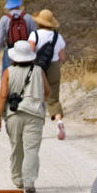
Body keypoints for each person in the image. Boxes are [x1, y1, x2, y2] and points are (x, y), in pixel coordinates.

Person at [0, 40, 49, 193]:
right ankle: (29, 181)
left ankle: (18, 180)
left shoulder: (8, 72)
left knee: (16, 147)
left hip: (14, 115)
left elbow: (3, 95)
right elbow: (47, 92)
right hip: (35, 115)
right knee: (31, 149)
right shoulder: (39, 71)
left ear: (14, 57)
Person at [32, 8, 66, 140]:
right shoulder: (58, 37)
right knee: (53, 98)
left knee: (36, 98)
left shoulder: (34, 35)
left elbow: (29, 53)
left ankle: (37, 129)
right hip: (53, 67)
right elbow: (62, 57)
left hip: (38, 68)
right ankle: (59, 121)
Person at [0, 0, 37, 72]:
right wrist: (34, 53)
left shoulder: (4, 19)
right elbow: (35, 37)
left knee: (7, 76)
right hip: (25, 51)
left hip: (10, 51)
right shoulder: (28, 17)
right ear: (18, 4)